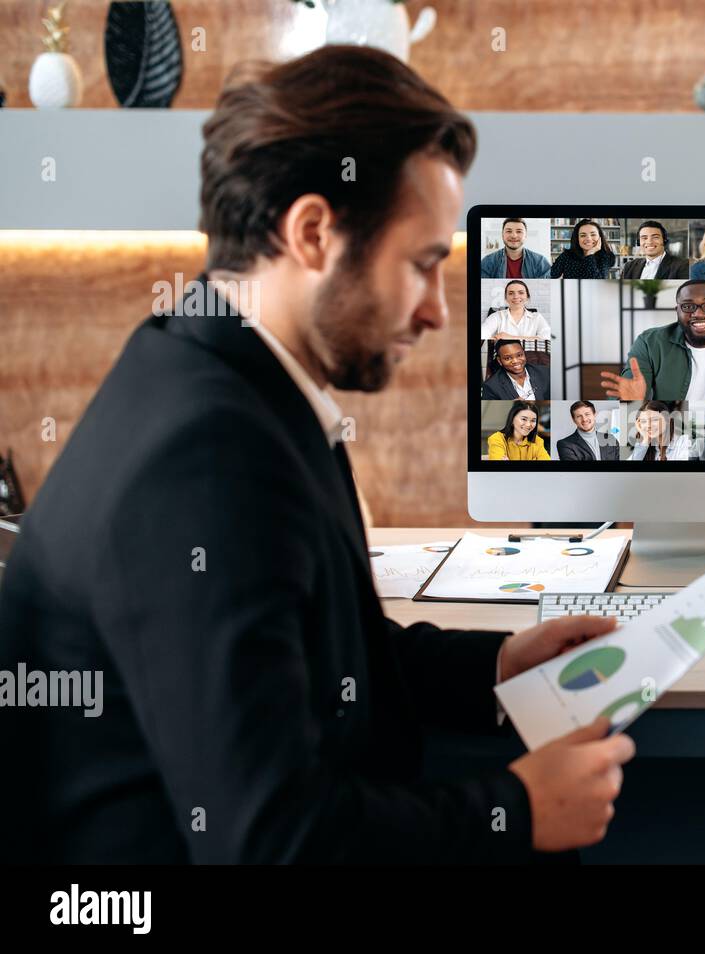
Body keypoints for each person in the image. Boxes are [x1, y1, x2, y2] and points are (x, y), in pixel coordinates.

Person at [0, 47, 633, 865]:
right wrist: (513, 810)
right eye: (422, 265)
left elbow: (321, 653)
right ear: (311, 233)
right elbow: (270, 840)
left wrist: (497, 664)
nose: (441, 313)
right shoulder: (210, 460)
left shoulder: (214, 369)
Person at [480, 279, 552, 340]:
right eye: (511, 293)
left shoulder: (537, 317)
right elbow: (483, 334)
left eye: (521, 293)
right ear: (506, 298)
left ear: (527, 297)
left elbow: (547, 337)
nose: (516, 296)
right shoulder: (496, 316)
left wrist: (510, 337)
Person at [479, 217, 551, 278]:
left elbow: (547, 290)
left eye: (519, 231)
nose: (514, 235)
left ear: (525, 236)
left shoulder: (540, 262)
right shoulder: (487, 262)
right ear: (502, 235)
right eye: (509, 231)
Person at [481, 339, 550, 400]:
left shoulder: (545, 373)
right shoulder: (491, 387)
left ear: (524, 354)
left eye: (519, 355)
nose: (515, 361)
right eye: (507, 358)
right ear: (499, 361)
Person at [550, 218, 616, 278]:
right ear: (577, 239)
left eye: (593, 234)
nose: (588, 239)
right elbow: (551, 274)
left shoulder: (605, 256)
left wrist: (590, 254)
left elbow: (597, 281)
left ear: (600, 237)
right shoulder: (566, 255)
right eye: (583, 235)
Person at [620, 220, 688, 279]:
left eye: (655, 237)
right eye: (644, 238)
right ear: (639, 242)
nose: (649, 242)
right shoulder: (629, 267)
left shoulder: (682, 266)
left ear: (664, 240)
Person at [626, 401, 691, 460]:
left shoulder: (683, 442)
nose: (648, 425)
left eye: (654, 419)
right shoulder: (647, 448)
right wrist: (646, 440)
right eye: (643, 421)